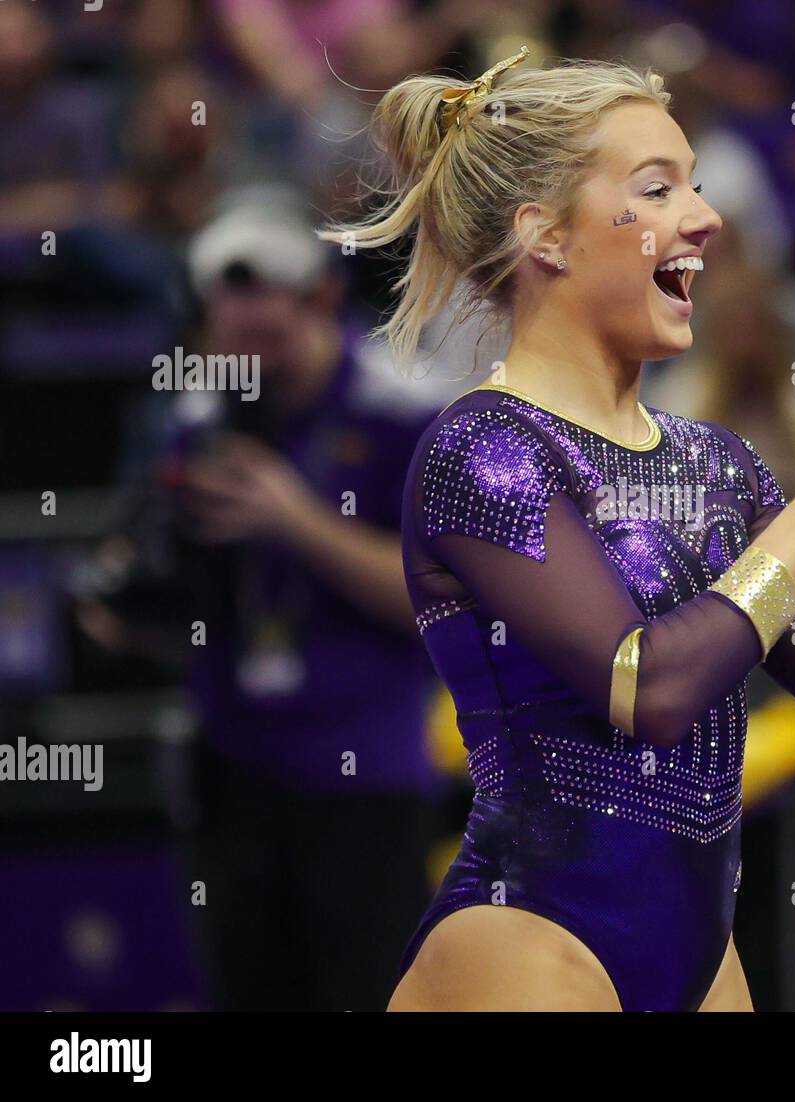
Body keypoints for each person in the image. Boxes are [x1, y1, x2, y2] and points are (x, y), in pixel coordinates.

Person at [324, 48, 795, 1012]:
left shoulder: (718, 464)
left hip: (702, 958)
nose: (706, 217)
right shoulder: (484, 451)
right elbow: (648, 687)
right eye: (659, 188)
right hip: (531, 943)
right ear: (544, 235)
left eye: (698, 185)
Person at [82, 194, 443, 1010]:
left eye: (264, 303)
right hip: (232, 770)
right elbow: (166, 590)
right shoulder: (197, 417)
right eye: (227, 312)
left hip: (360, 774)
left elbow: (437, 602)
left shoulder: (398, 410)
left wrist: (296, 521)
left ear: (318, 296)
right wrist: (128, 604)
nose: (243, 324)